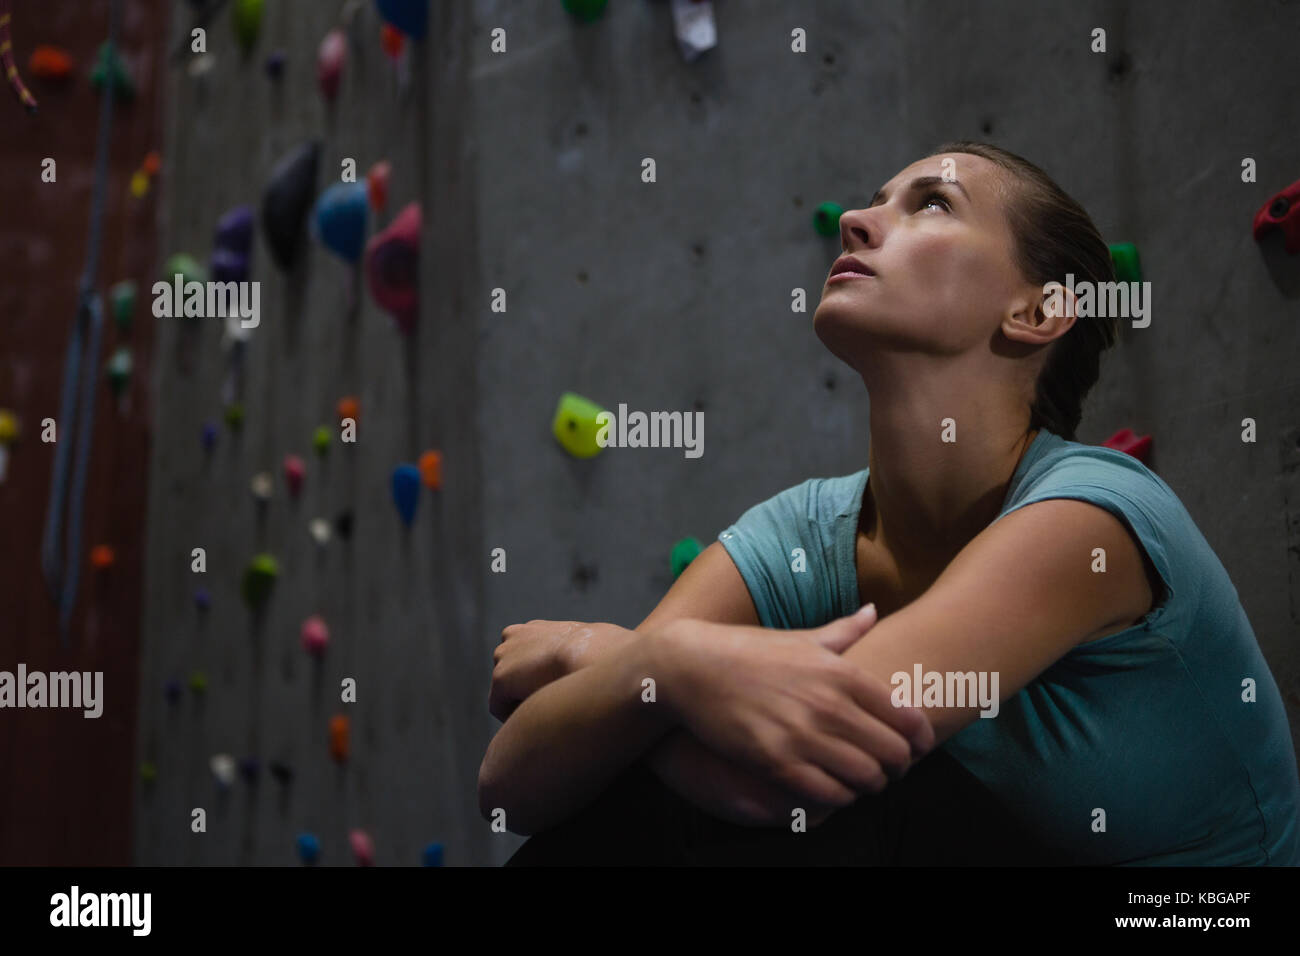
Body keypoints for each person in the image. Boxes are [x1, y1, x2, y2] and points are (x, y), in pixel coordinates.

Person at [480, 141, 1300, 866]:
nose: (859, 224)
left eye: (931, 203)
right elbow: (511, 791)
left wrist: (605, 656)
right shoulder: (803, 532)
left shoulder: (1091, 520)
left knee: (868, 802)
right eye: (873, 202)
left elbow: (781, 781)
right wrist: (662, 666)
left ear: (1038, 310)